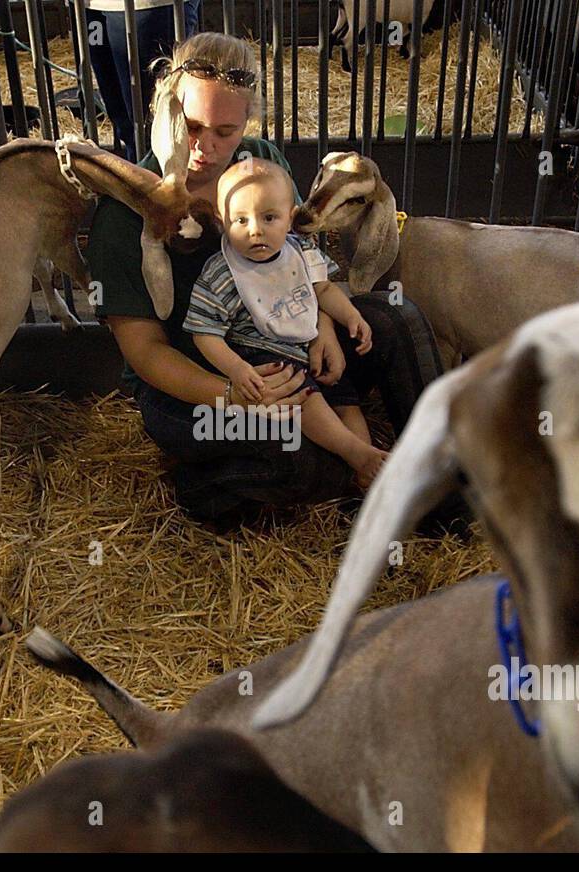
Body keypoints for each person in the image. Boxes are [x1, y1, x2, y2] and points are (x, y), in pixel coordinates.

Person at [84, 30, 468, 532]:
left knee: (398, 317)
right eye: (192, 124)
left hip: (285, 347)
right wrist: (233, 396)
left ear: (247, 121)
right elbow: (146, 353)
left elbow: (300, 260)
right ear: (166, 109)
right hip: (191, 384)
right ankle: (198, 492)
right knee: (301, 456)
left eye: (226, 129)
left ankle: (444, 496)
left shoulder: (260, 162)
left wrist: (322, 332)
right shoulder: (124, 211)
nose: (206, 146)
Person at [184, 158, 389, 487]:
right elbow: (204, 333)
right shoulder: (220, 273)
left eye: (269, 218)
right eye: (240, 220)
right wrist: (237, 370)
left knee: (345, 399)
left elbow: (323, 288)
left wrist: (351, 316)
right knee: (304, 395)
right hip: (262, 356)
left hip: (307, 347)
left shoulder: (301, 251)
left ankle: (365, 474)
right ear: (222, 222)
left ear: (291, 218)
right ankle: (358, 455)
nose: (255, 230)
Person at [82, 0, 202, 162]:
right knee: (123, 119)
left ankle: (155, 179)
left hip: (149, 6)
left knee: (154, 121)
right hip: (91, 7)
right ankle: (140, 175)